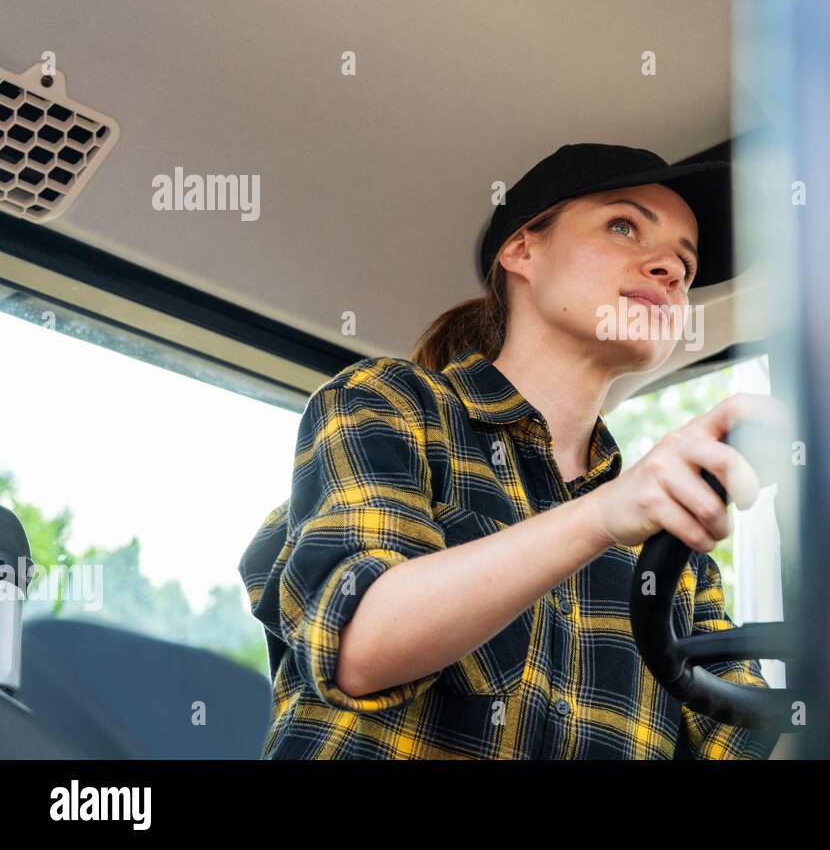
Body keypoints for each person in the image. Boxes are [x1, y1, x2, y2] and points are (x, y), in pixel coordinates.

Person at [238, 142, 787, 759]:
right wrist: (601, 516)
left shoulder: (676, 549)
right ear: (523, 249)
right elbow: (358, 646)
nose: (671, 270)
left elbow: (753, 740)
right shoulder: (387, 404)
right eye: (624, 226)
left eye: (685, 264)